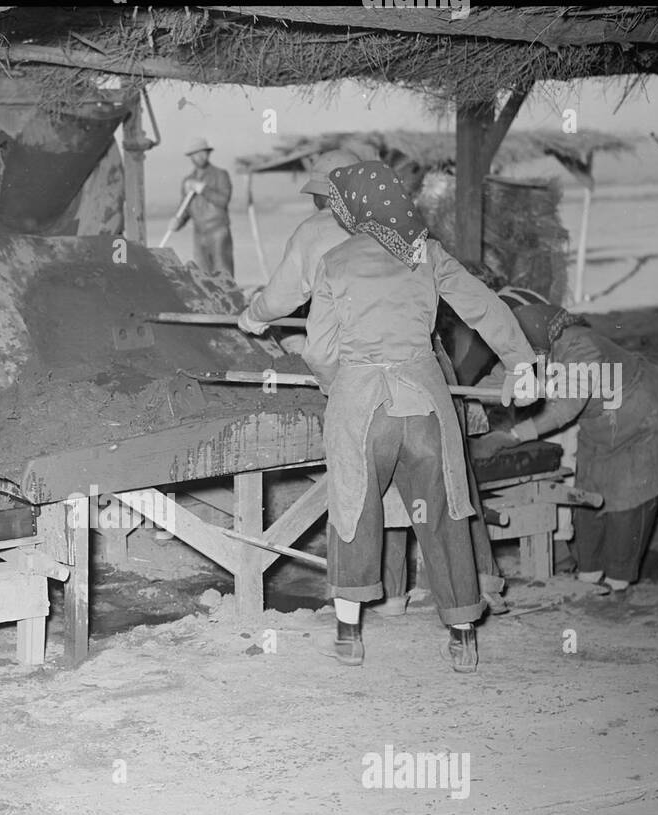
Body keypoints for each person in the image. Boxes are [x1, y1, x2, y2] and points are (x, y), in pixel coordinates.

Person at [238, 150, 509, 618]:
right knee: (448, 476)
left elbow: (282, 301)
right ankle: (480, 583)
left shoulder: (315, 235)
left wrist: (253, 317)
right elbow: (461, 297)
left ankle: (383, 599)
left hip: (358, 367)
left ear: (328, 193)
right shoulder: (409, 233)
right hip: (424, 363)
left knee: (360, 487)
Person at [301, 162, 537, 672]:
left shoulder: (335, 260)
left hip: (362, 402)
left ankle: (348, 635)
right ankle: (461, 634)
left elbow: (320, 349)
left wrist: (335, 387)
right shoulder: (425, 251)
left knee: (352, 506)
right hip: (426, 403)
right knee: (446, 507)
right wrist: (521, 361)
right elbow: (483, 305)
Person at [471, 298, 658, 592]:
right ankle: (588, 575)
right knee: (587, 494)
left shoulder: (581, 348)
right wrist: (467, 400)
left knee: (627, 502)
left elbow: (565, 408)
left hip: (645, 419)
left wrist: (511, 436)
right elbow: (499, 378)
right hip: (603, 424)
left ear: (536, 338)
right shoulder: (534, 344)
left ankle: (618, 584)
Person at [173, 137, 234, 279]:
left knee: (223, 274)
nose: (200, 156)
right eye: (196, 154)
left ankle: (229, 301)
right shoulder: (187, 181)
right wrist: (178, 222)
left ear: (208, 153)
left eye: (203, 153)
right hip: (199, 234)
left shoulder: (220, 175)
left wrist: (202, 188)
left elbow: (223, 201)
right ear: (191, 157)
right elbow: (185, 208)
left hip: (219, 232)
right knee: (203, 276)